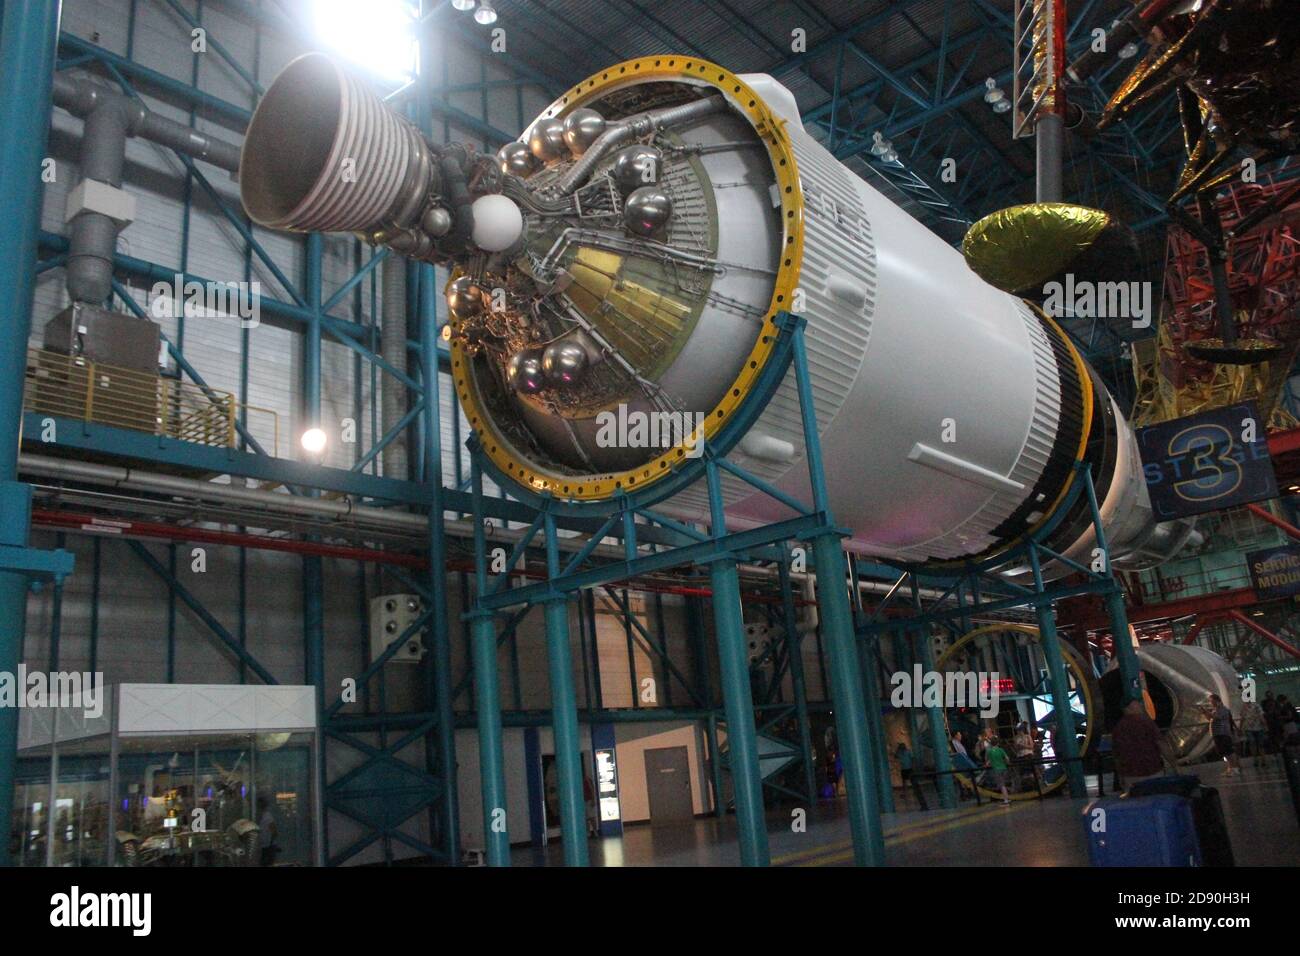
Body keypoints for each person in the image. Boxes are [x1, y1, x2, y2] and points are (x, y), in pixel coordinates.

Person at [1111, 697, 1171, 791]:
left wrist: (1120, 776)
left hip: (1130, 775)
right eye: (1137, 704)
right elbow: (1161, 744)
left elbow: (1117, 755)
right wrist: (1173, 763)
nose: (1141, 706)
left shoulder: (1118, 728)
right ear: (1128, 708)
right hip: (1153, 770)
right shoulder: (1147, 722)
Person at [1201, 694, 1241, 777]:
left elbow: (1216, 717)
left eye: (1211, 701)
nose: (1210, 703)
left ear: (1216, 700)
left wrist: (1206, 711)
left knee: (1228, 751)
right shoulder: (1216, 710)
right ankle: (1230, 768)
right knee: (1224, 751)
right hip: (1217, 733)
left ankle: (1235, 768)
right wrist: (1205, 713)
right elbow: (1210, 718)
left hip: (1223, 733)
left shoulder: (1222, 709)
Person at [1240, 698, 1268, 767]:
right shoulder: (1256, 706)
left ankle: (1257, 760)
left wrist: (1240, 728)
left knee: (1253, 744)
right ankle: (1262, 760)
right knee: (1260, 744)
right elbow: (1261, 716)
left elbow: (1242, 718)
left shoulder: (1246, 707)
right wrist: (1265, 725)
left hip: (1251, 728)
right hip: (1257, 727)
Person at [984, 737, 1012, 806]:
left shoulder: (989, 751)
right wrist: (1006, 763)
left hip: (996, 770)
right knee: (1003, 784)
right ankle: (1007, 797)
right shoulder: (1001, 750)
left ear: (991, 743)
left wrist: (987, 765)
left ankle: (1006, 800)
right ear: (998, 743)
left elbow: (987, 761)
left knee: (1001, 785)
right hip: (1004, 768)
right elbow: (1007, 758)